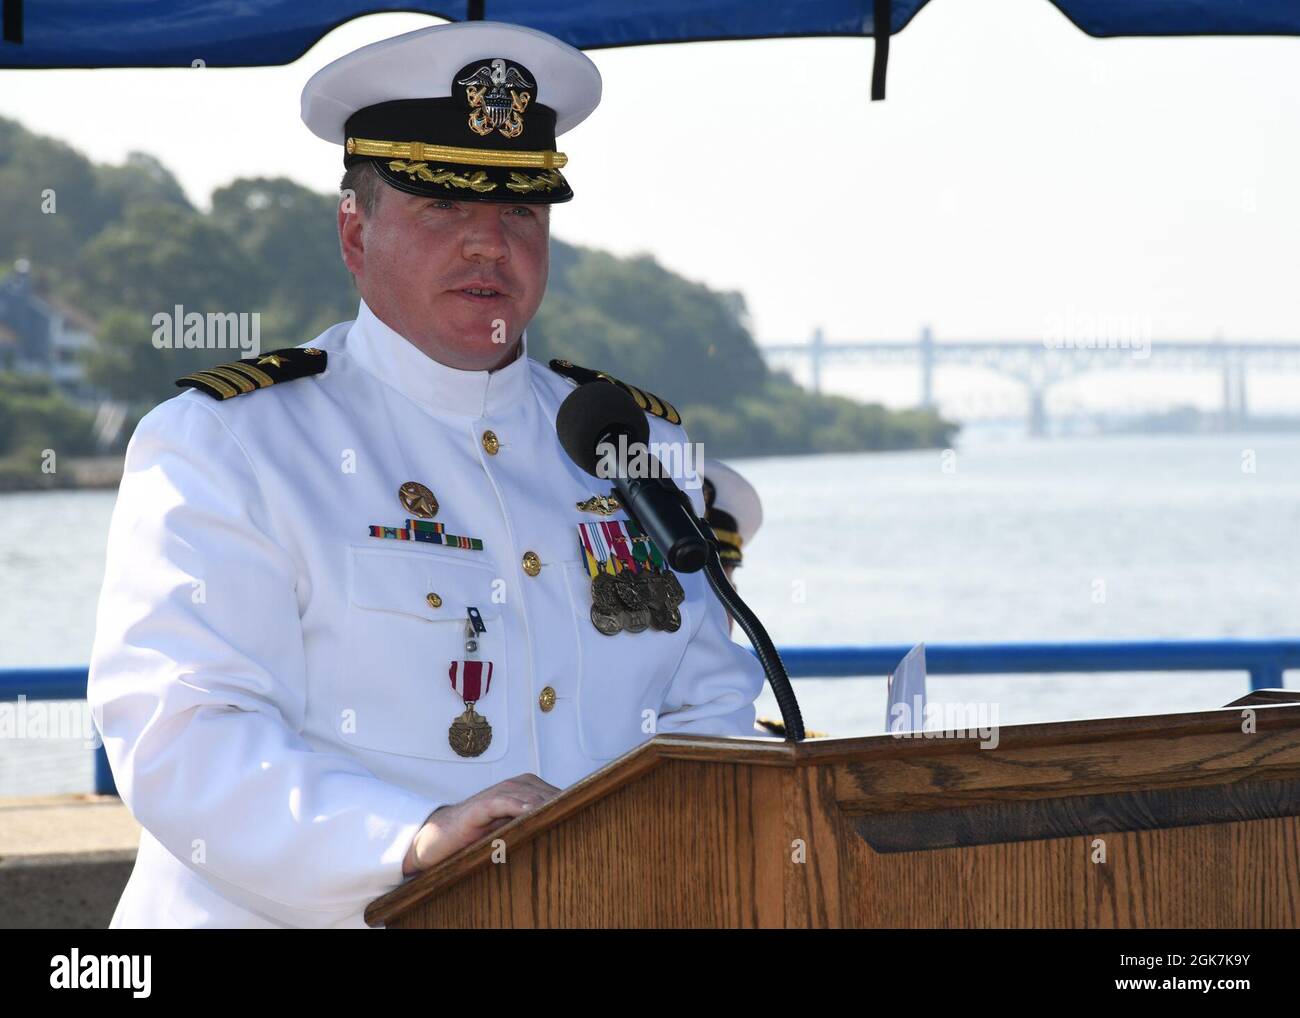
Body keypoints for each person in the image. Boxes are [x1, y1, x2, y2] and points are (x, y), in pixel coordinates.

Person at [87, 20, 764, 929]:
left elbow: (708, 701)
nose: (490, 244)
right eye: (445, 206)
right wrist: (407, 839)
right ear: (354, 234)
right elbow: (182, 732)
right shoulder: (228, 442)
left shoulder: (627, 437)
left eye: (521, 209)